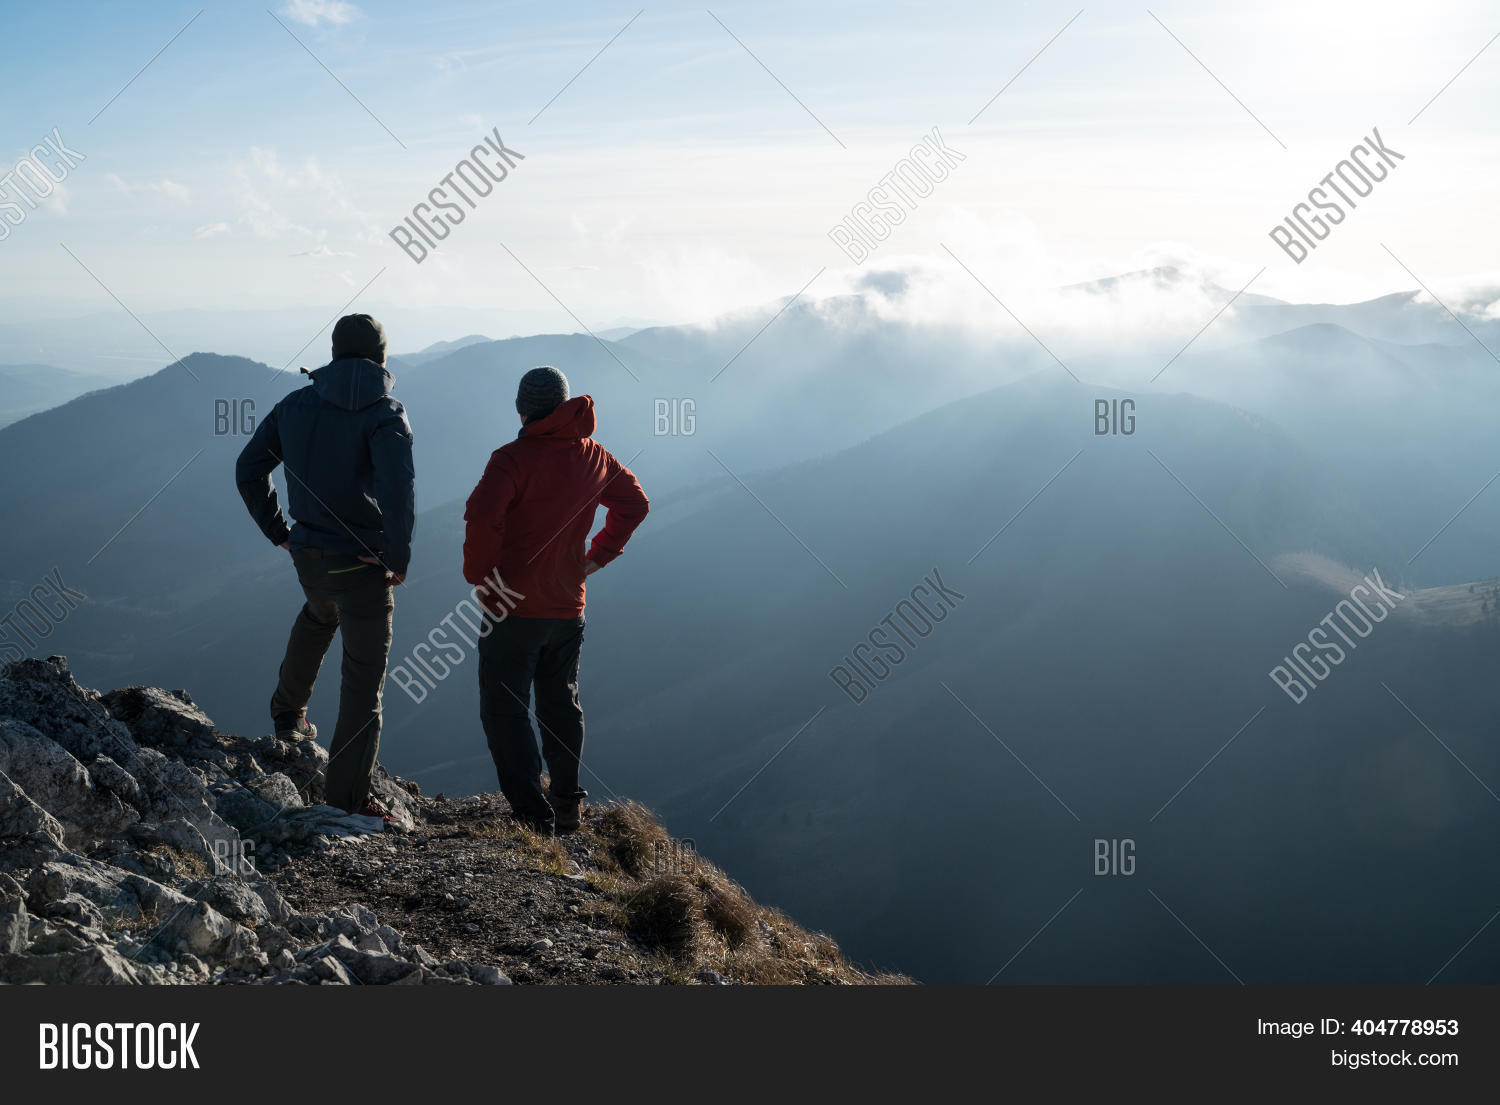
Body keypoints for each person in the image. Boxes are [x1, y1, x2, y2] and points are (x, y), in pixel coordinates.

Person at [235, 313, 415, 818]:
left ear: (334, 354)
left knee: (318, 613)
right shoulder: (386, 413)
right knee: (363, 679)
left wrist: (281, 533)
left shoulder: (294, 405)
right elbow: (398, 492)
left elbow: (248, 469)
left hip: (310, 555)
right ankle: (348, 800)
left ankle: (288, 715)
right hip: (360, 561)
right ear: (380, 357)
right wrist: (395, 557)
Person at [463, 366, 649, 834]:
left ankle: (530, 814)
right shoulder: (593, 455)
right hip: (569, 604)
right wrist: (598, 557)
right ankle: (566, 802)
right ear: (565, 406)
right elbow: (635, 504)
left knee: (504, 707)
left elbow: (483, 517)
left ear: (522, 410)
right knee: (560, 702)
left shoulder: (511, 460)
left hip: (512, 606)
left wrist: (482, 577)